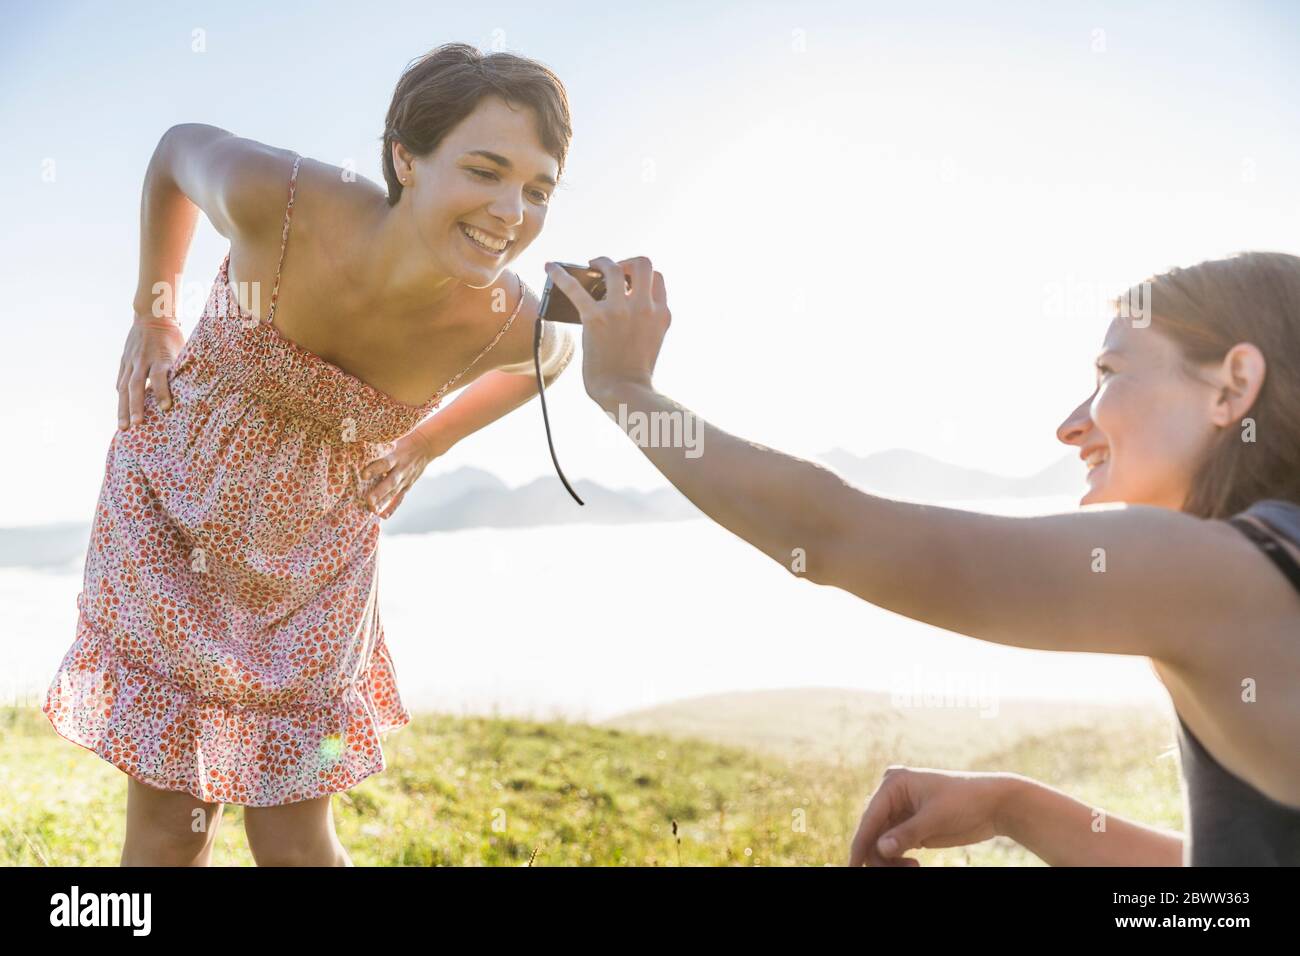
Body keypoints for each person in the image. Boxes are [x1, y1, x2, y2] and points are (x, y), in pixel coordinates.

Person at [547, 250, 1300, 866]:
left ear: (1233, 386)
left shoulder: (1224, 572)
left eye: (1107, 375)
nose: (1071, 426)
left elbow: (834, 534)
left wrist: (623, 388)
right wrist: (1015, 806)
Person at [41, 43, 576, 866]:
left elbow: (553, 356)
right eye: (484, 170)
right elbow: (175, 149)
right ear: (406, 156)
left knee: (293, 827)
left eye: (537, 188)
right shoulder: (282, 201)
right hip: (174, 512)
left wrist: (429, 440)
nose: (512, 210)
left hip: (316, 558)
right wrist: (154, 308)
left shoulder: (504, 318)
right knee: (169, 822)